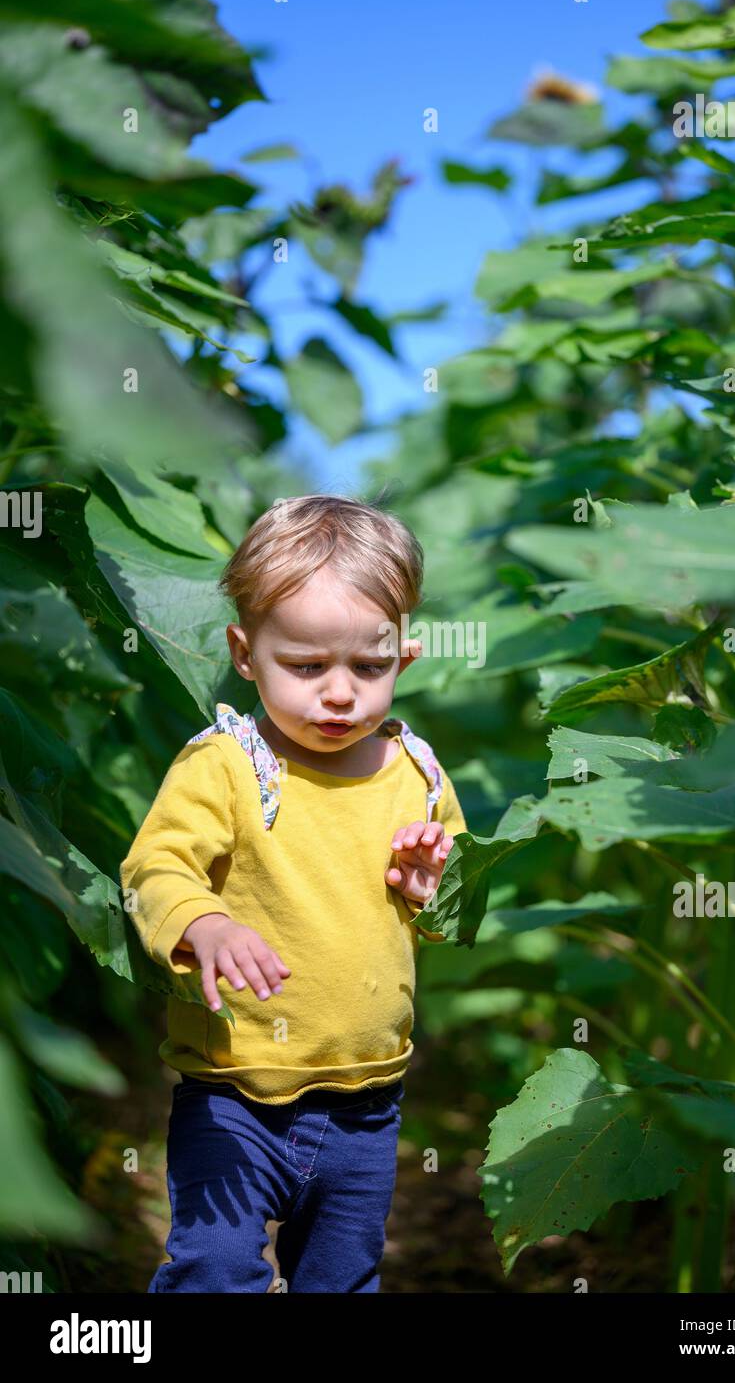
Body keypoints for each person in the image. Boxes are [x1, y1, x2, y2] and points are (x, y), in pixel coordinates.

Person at [120, 493, 468, 1292]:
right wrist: (201, 922)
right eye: (306, 667)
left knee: (341, 1275)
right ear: (246, 654)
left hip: (367, 1096)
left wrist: (430, 889)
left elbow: (450, 910)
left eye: (369, 668)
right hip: (232, 1095)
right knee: (212, 1266)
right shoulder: (227, 765)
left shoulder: (417, 776)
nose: (340, 693)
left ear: (404, 658)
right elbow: (152, 871)